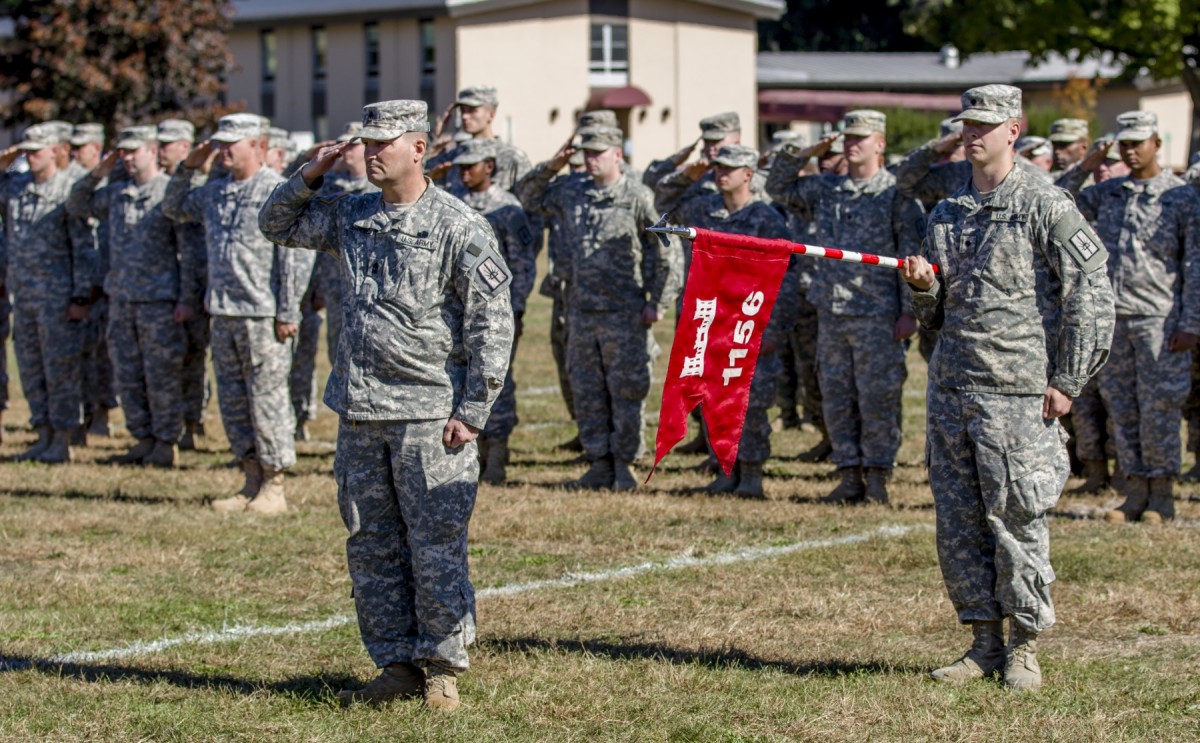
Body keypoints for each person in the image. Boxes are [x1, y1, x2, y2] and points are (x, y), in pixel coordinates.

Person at [259, 99, 514, 713]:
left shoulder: (459, 224)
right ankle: (395, 662)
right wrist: (308, 175)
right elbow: (276, 225)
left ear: (419, 148)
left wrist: (473, 410)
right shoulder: (352, 214)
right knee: (371, 543)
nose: (370, 154)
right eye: (365, 144)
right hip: (361, 409)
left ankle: (442, 668)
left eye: (383, 143)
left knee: (435, 544)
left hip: (431, 414)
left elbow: (492, 325)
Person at [901, 84, 1114, 690]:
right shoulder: (946, 212)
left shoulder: (1045, 204)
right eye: (967, 124)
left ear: (1014, 130)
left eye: (985, 125)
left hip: (1017, 394)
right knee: (960, 522)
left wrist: (1069, 379)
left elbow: (1093, 294)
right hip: (953, 391)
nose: (973, 134)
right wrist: (923, 291)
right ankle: (982, 642)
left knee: (1016, 518)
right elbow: (939, 316)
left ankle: (1024, 645)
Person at [768, 110, 924, 504]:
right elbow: (776, 187)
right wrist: (807, 151)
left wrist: (909, 310)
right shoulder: (826, 188)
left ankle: (876, 477)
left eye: (860, 137)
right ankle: (848, 473)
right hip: (832, 313)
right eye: (846, 138)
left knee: (877, 397)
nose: (851, 144)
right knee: (836, 397)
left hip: (877, 314)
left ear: (880, 143)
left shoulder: (895, 194)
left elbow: (911, 252)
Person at [164, 113, 314, 514]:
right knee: (233, 401)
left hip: (263, 316)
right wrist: (191, 164)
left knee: (267, 401)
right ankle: (250, 479)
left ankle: (274, 485)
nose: (224, 149)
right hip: (223, 312)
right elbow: (174, 206)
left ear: (259, 147)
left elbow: (294, 258)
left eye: (235, 142)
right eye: (221, 141)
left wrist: (287, 310)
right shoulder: (214, 192)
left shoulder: (276, 191)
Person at [1056, 112, 1200, 523]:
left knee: (1160, 409)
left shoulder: (1181, 196)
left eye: (1139, 142)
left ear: (1157, 143)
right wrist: (1086, 166)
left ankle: (1162, 495)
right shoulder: (1109, 193)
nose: (1131, 150)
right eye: (1124, 144)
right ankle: (1133, 491)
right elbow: (1056, 200)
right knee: (1122, 407)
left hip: (1161, 322)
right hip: (1114, 320)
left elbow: (1194, 264)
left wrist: (1191, 322)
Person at [519, 125, 681, 490]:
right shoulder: (571, 192)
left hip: (624, 313)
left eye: (597, 153)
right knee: (587, 390)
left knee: (626, 390)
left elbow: (668, 249)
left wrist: (658, 300)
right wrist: (552, 164)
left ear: (617, 154)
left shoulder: (638, 196)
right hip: (580, 312)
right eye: (585, 153)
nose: (589, 160)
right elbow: (528, 197)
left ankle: (625, 463)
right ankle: (598, 463)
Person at [679, 144, 798, 498]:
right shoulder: (705, 211)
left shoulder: (767, 218)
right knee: (716, 400)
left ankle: (751, 474)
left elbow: (787, 279)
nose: (720, 173)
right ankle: (724, 469)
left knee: (751, 401)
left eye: (729, 168)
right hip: (713, 324)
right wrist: (689, 171)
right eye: (717, 168)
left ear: (749, 174)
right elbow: (662, 198)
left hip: (751, 325)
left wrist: (773, 328)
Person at [68, 126, 189, 467]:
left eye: (134, 150)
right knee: (128, 374)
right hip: (121, 300)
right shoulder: (116, 193)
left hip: (159, 302)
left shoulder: (168, 193)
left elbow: (189, 251)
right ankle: (142, 438)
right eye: (123, 151)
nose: (127, 157)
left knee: (161, 375)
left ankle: (166, 442)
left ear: (152, 151)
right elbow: (77, 204)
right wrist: (99, 172)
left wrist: (186, 297)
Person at [0, 123, 97, 462]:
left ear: (56, 150)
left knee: (61, 370)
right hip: (23, 296)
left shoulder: (68, 190)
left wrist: (80, 297)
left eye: (36, 150)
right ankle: (42, 434)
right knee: (31, 367)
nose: (29, 156)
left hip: (58, 298)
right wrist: (6, 158)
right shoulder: (16, 188)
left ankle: (64, 438)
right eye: (25, 150)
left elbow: (84, 248)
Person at [453, 138, 536, 484]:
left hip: (497, 311)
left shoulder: (508, 208)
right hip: (459, 309)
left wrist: (515, 309)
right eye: (461, 166)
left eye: (470, 165)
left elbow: (523, 261)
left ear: (489, 166)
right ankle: (471, 450)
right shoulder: (453, 204)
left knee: (496, 378)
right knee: (461, 378)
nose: (464, 171)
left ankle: (498, 452)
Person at [157, 118, 212, 451]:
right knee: (178, 360)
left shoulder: (206, 184)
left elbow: (193, 249)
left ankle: (194, 420)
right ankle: (182, 424)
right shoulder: (170, 184)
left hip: (202, 286)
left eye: (168, 144)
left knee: (195, 359)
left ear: (184, 146)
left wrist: (191, 294)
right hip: (175, 287)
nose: (161, 150)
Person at [70, 122, 119, 438]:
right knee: (82, 356)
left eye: (83, 148)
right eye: (73, 147)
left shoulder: (114, 185)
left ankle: (102, 414)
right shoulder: (82, 185)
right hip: (82, 285)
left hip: (107, 285)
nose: (76, 153)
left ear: (97, 148)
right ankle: (84, 415)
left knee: (105, 358)